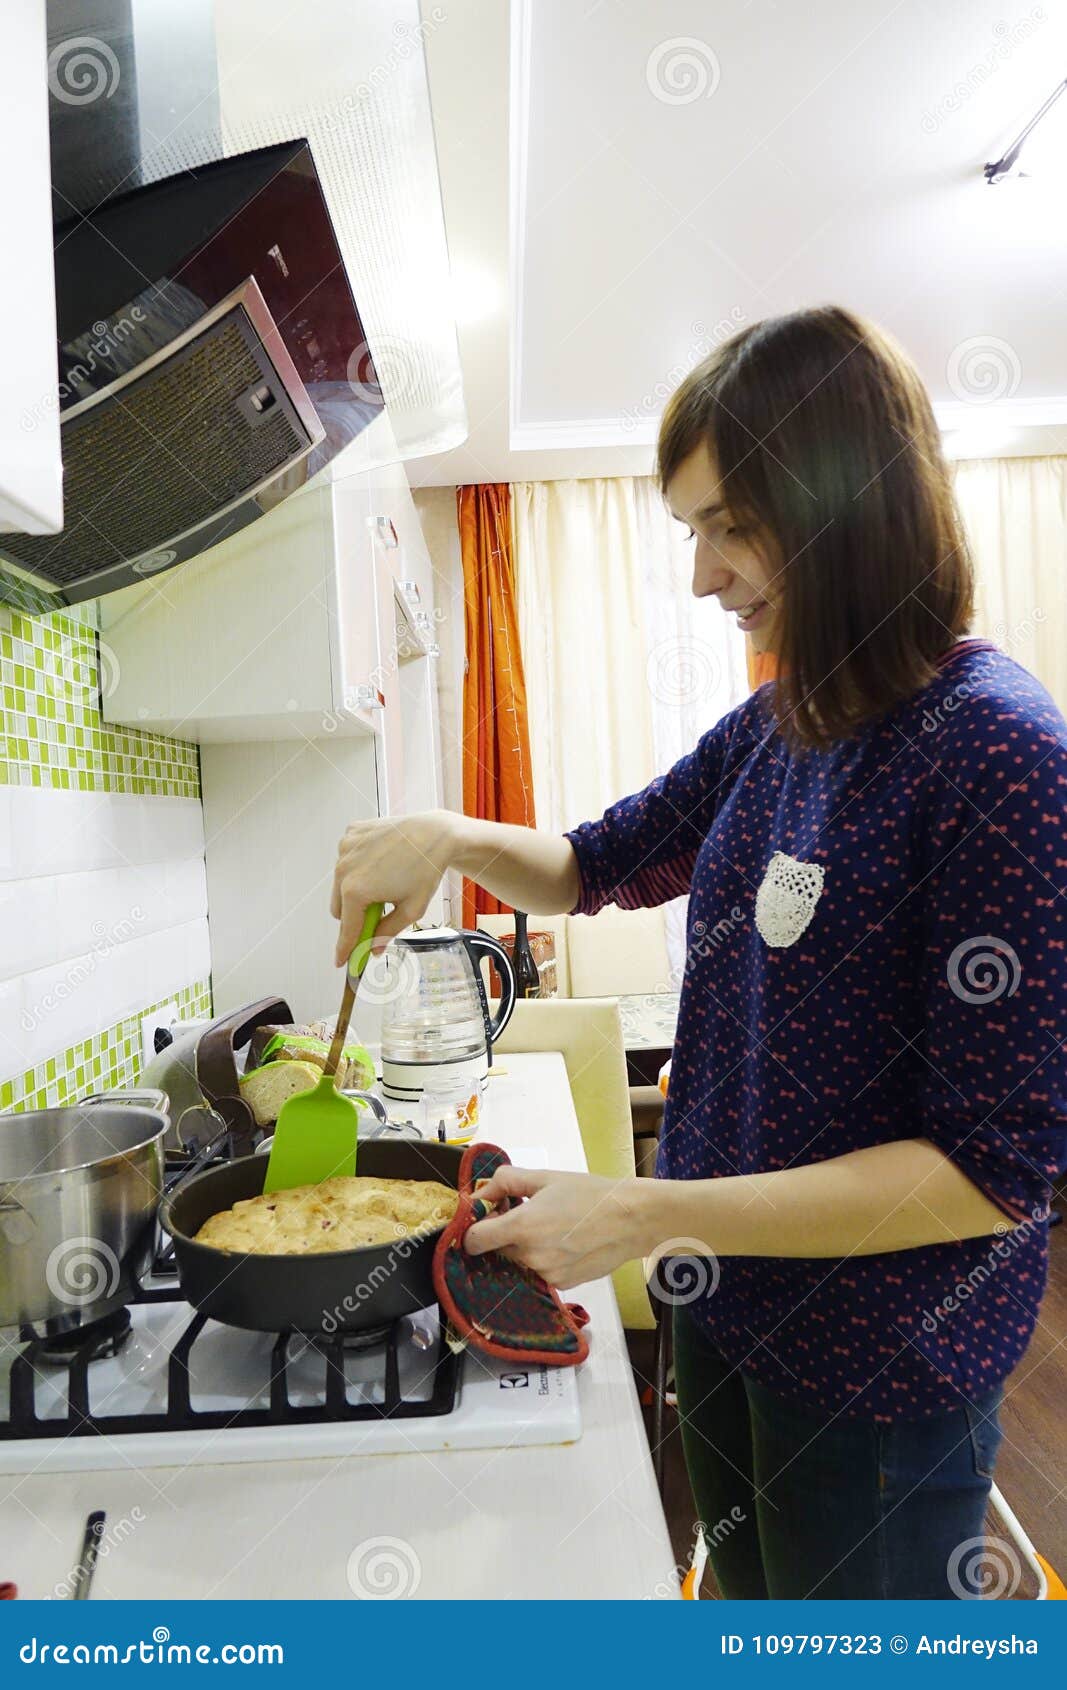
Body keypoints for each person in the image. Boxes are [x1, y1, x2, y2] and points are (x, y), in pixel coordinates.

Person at [331, 306, 1067, 1599]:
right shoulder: (783, 721)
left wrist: (635, 1207)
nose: (702, 575)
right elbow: (591, 862)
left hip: (877, 1366)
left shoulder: (998, 755)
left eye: (730, 526)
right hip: (722, 1309)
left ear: (849, 504)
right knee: (737, 1610)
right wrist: (442, 832)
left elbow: (987, 1174)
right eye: (694, 532)